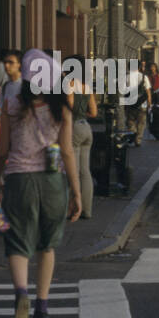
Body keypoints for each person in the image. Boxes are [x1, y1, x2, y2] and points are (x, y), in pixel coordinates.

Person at [0, 49, 82, 318]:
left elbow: (2, 149)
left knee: (18, 244)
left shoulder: (12, 104)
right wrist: (76, 192)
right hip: (53, 181)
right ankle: (42, 307)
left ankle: (21, 293)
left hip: (18, 180)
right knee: (46, 245)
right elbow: (67, 152)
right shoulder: (61, 108)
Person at [65, 54, 96, 220]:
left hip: (74, 127)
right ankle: (87, 210)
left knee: (74, 171)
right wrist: (84, 113)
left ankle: (74, 209)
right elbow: (95, 112)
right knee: (86, 171)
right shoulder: (86, 87)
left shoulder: (69, 85)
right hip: (86, 128)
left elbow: (69, 106)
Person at [125, 61, 150, 145]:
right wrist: (149, 102)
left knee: (130, 120)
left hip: (130, 102)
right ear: (139, 67)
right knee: (141, 122)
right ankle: (138, 140)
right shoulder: (144, 77)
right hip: (142, 103)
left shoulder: (127, 77)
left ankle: (133, 132)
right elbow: (147, 90)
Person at [0, 49, 23, 113]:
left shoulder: (27, 86)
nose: (6, 65)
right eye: (5, 62)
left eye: (11, 62)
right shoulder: (5, 87)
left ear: (19, 64)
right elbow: (2, 111)